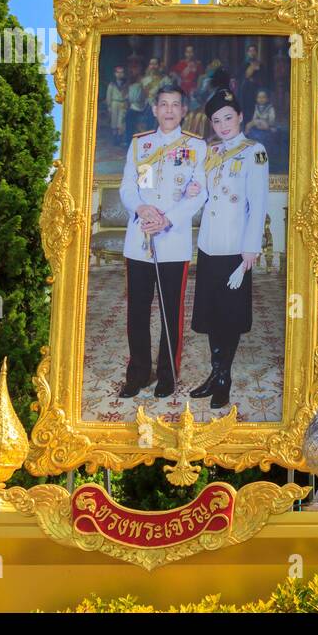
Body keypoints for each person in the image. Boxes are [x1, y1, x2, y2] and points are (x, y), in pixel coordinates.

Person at [117, 84, 207, 399]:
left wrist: (167, 219)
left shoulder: (196, 147)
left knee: (171, 310)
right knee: (137, 311)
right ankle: (138, 372)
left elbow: (200, 193)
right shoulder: (140, 145)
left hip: (173, 240)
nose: (169, 110)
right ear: (154, 109)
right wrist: (141, 208)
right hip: (140, 238)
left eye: (175, 105)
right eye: (163, 104)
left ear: (184, 111)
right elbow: (128, 185)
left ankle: (168, 374)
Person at [190, 89, 268, 410]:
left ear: (239, 117)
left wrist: (251, 248)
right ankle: (216, 373)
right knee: (211, 314)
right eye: (216, 120)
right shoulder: (210, 154)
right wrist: (194, 189)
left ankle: (225, 379)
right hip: (210, 244)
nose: (222, 125)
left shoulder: (254, 152)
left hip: (236, 248)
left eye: (227, 118)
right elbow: (205, 197)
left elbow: (258, 203)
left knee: (230, 317)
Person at [105, 65, 129, 144]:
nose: (120, 74)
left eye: (121, 72)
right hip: (114, 103)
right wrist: (109, 106)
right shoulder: (112, 84)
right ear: (115, 74)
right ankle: (115, 137)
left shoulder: (126, 84)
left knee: (121, 121)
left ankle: (119, 137)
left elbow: (128, 93)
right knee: (114, 120)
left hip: (122, 103)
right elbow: (109, 95)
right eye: (118, 72)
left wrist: (126, 101)